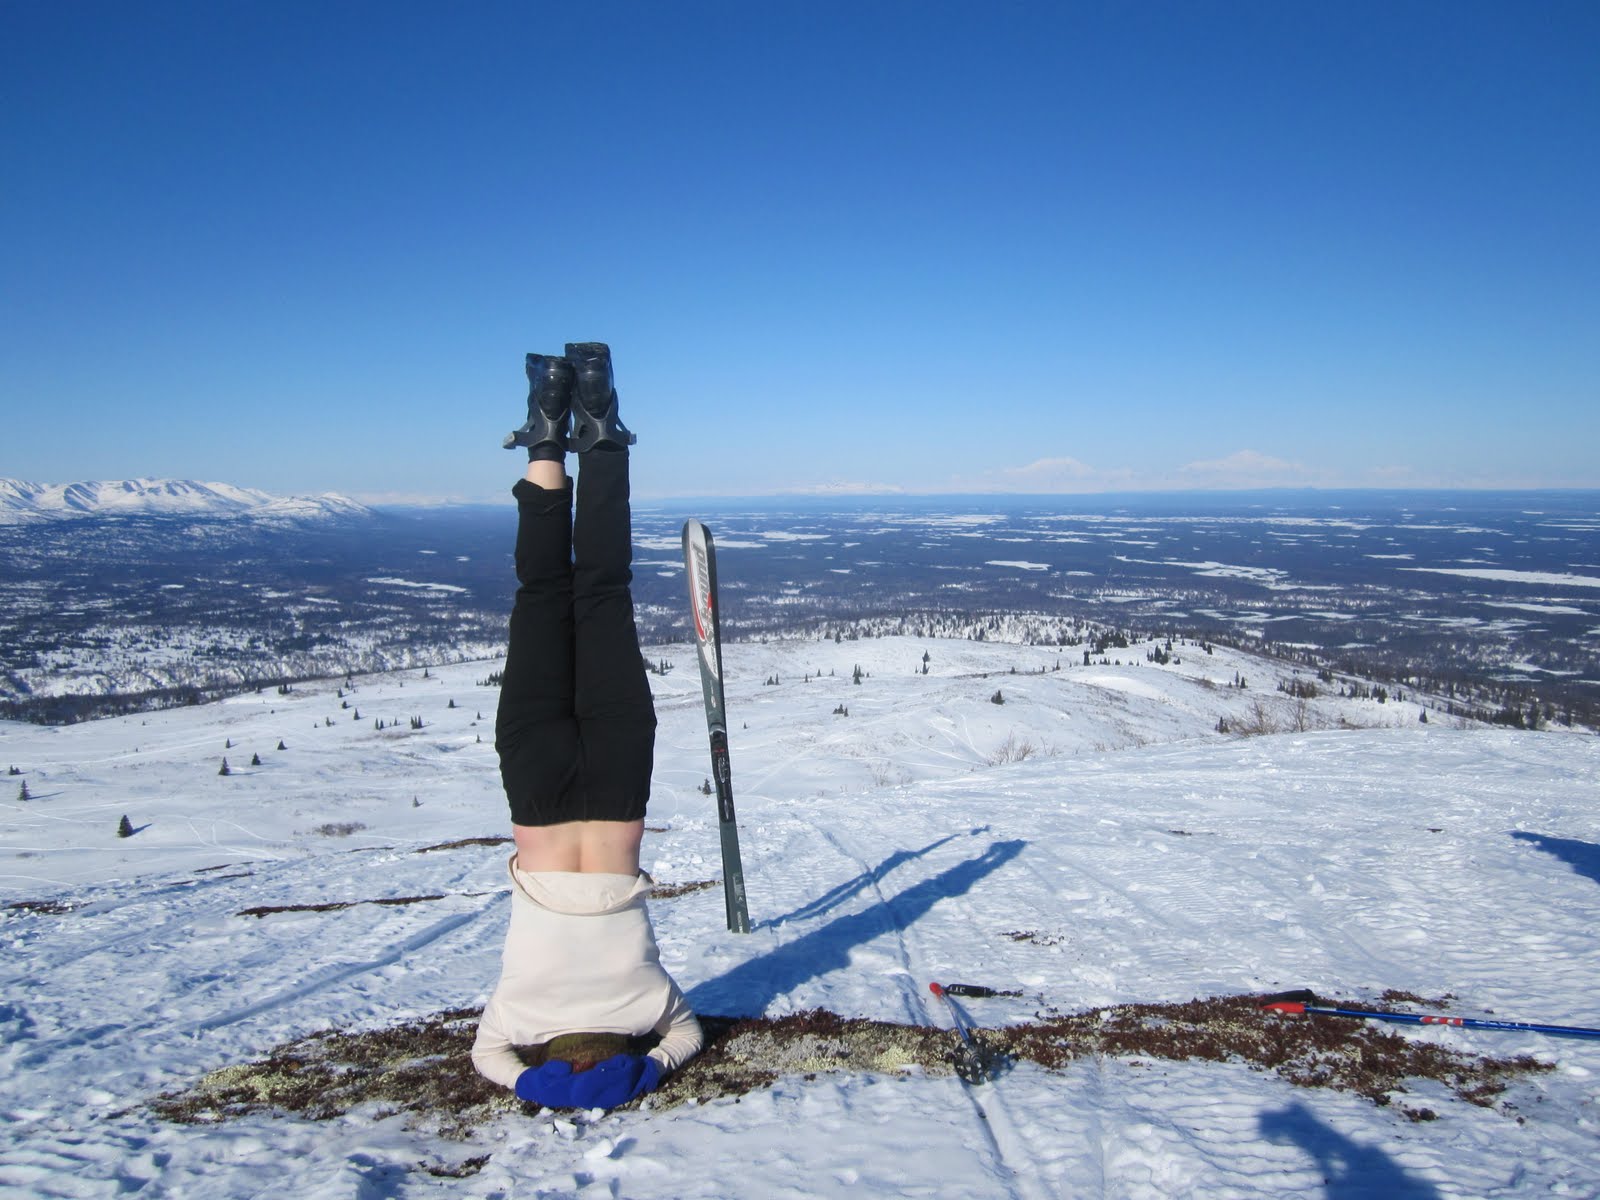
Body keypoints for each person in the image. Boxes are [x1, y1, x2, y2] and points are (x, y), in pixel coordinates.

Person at [471, 342, 702, 1111]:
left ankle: (596, 414)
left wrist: (650, 1070)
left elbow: (686, 1038)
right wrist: (533, 1081)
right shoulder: (520, 1017)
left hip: (615, 782)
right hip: (537, 791)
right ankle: (546, 425)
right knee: (541, 594)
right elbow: (490, 1056)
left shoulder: (647, 1009)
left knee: (601, 590)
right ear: (560, 1059)